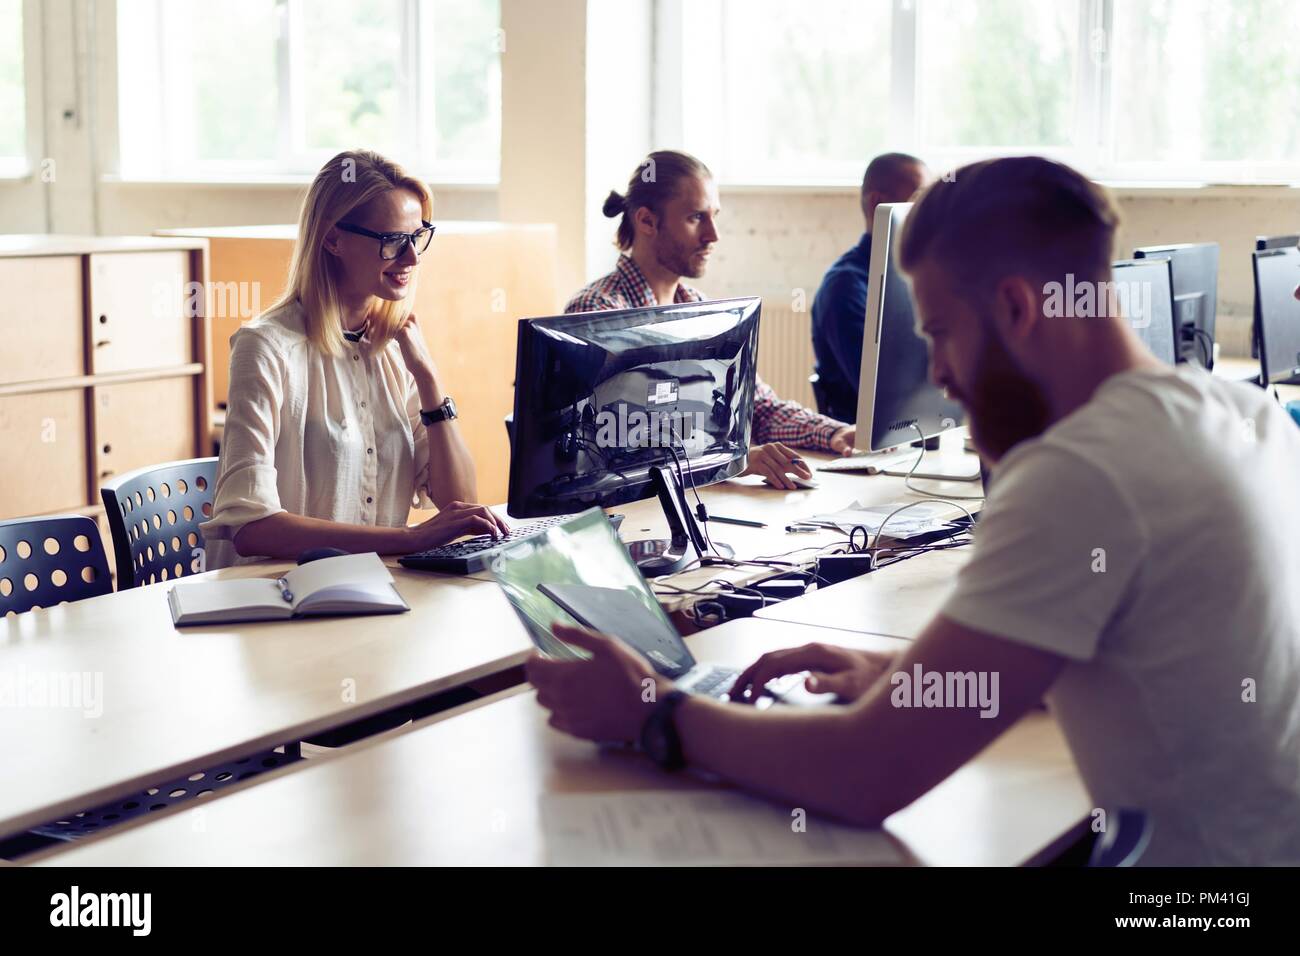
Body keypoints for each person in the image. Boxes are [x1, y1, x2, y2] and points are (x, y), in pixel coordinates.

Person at [529, 155, 1300, 866]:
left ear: (1016, 307)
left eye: (938, 333)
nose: (936, 371)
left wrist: (650, 712)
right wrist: (911, 677)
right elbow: (1143, 651)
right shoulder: (1242, 415)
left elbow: (865, 773)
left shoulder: (1082, 471)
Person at [201, 149, 508, 569]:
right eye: (392, 241)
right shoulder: (266, 347)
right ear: (333, 239)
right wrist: (410, 539)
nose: (412, 258)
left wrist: (430, 381)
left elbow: (459, 505)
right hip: (281, 601)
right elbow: (252, 527)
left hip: (373, 593)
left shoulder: (396, 348)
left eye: (417, 237)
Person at [565, 150, 857, 491]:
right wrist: (732, 458)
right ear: (646, 221)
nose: (713, 235)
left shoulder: (700, 310)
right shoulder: (596, 313)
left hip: (699, 504)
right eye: (695, 218)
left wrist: (836, 432)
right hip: (629, 515)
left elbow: (756, 408)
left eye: (713, 216)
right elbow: (605, 445)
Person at [811, 152, 928, 422]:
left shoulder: (908, 277)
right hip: (865, 444)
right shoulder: (846, 286)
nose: (925, 212)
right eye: (917, 199)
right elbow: (880, 392)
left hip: (915, 432)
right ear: (877, 202)